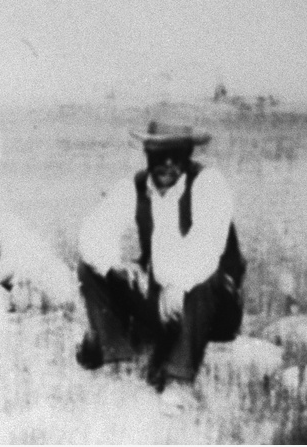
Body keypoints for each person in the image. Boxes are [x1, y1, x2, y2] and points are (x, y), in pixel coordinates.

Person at [76, 121, 246, 408]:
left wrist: (178, 285)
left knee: (208, 279)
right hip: (160, 302)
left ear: (189, 153)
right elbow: (93, 232)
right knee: (91, 268)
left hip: (211, 305)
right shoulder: (135, 186)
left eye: (177, 154)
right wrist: (115, 266)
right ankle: (117, 359)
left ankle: (179, 381)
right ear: (147, 152)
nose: (168, 163)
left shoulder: (207, 183)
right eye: (160, 154)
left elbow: (207, 246)